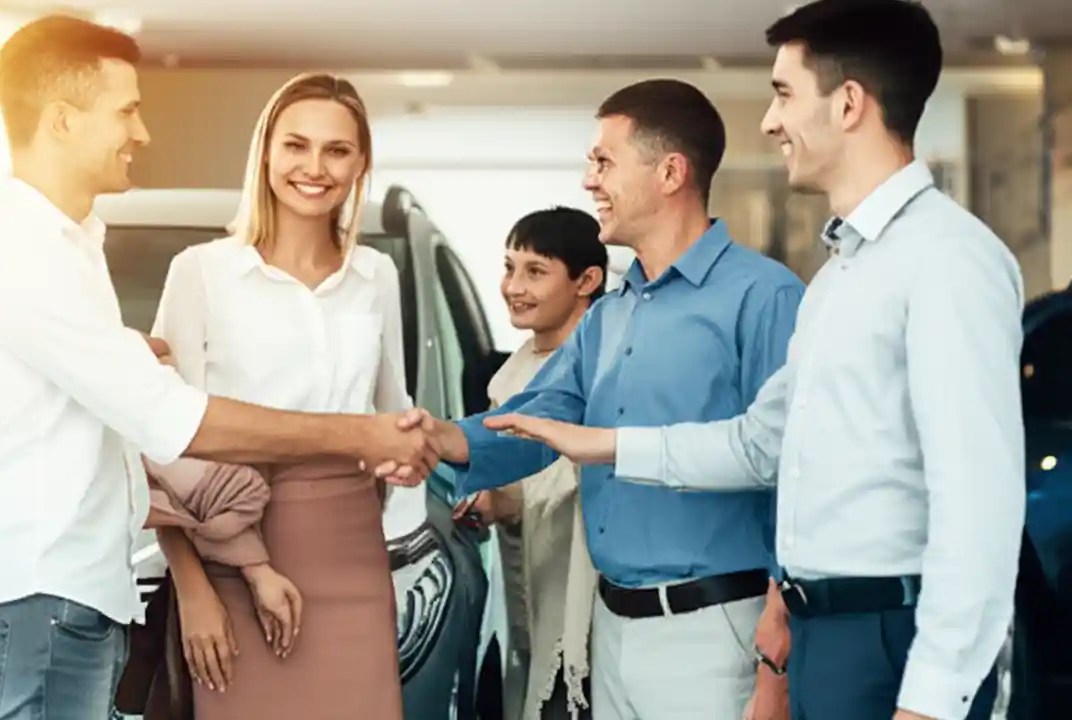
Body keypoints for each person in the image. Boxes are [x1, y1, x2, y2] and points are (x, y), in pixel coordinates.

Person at [483, 2, 1025, 720]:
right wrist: (601, 443)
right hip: (824, 635)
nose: (770, 123)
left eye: (783, 94)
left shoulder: (948, 260)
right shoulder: (839, 276)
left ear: (850, 103)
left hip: (892, 637)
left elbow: (979, 505)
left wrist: (933, 698)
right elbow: (759, 443)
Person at [0, 18, 433, 720]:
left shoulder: (70, 246)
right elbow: (174, 425)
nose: (141, 133)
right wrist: (359, 436)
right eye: (127, 111)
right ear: (60, 121)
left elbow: (118, 405)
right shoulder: (33, 257)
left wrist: (117, 358)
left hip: (75, 592)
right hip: (47, 591)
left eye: (337, 150)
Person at [383, 79, 806, 719]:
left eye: (604, 161)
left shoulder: (763, 296)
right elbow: (543, 415)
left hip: (715, 631)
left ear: (670, 172)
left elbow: (793, 471)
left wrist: (778, 651)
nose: (589, 181)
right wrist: (439, 437)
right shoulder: (611, 314)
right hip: (610, 633)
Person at [148, 72, 407, 720]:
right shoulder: (201, 272)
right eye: (296, 145)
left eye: (337, 150)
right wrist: (193, 588)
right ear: (265, 152)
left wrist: (423, 454)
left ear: (360, 164)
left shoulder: (377, 276)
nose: (313, 167)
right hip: (229, 556)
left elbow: (392, 415)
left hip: (353, 553)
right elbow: (159, 447)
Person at [453, 206, 607, 720]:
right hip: (528, 603)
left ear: (588, 280)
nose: (514, 285)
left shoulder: (600, 369)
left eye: (535, 271)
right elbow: (528, 485)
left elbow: (571, 483)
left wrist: (506, 496)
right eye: (509, 267)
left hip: (589, 611)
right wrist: (493, 500)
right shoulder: (513, 373)